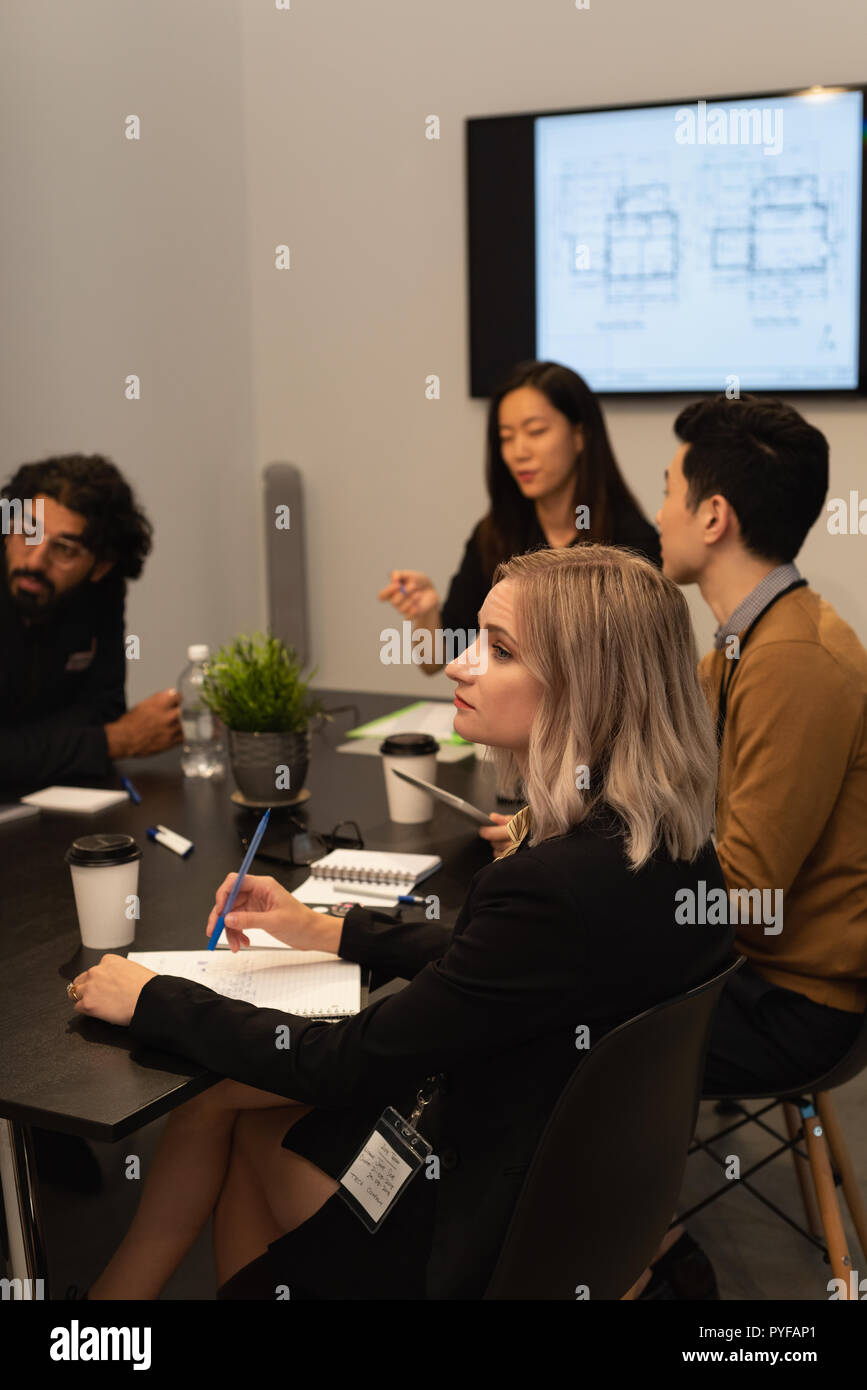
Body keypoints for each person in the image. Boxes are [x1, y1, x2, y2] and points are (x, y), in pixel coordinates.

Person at [70, 546, 733, 1302]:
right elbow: (501, 964)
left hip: (474, 1240)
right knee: (245, 1118)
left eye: (499, 649)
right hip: (578, 1213)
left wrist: (151, 996)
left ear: (588, 687)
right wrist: (331, 930)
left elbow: (341, 1061)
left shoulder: (546, 884)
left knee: (248, 1117)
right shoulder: (672, 847)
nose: (458, 665)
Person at [647, 393, 867, 1299]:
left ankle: (655, 1258)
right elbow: (670, 788)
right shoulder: (742, 645)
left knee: (548, 1019)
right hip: (761, 978)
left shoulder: (793, 660)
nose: (655, 512)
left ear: (712, 515)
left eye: (666, 489)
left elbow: (745, 893)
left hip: (797, 1003)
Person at [378, 360, 661, 679]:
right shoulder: (495, 534)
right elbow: (435, 660)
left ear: (579, 435)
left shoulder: (631, 542)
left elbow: (636, 671)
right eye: (507, 437)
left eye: (536, 432)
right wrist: (427, 613)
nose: (518, 452)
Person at [0, 454, 183, 794]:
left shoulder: (101, 592)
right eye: (27, 532)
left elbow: (103, 708)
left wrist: (25, 748)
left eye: (65, 549)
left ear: (100, 567)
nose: (36, 561)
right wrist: (111, 742)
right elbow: (111, 731)